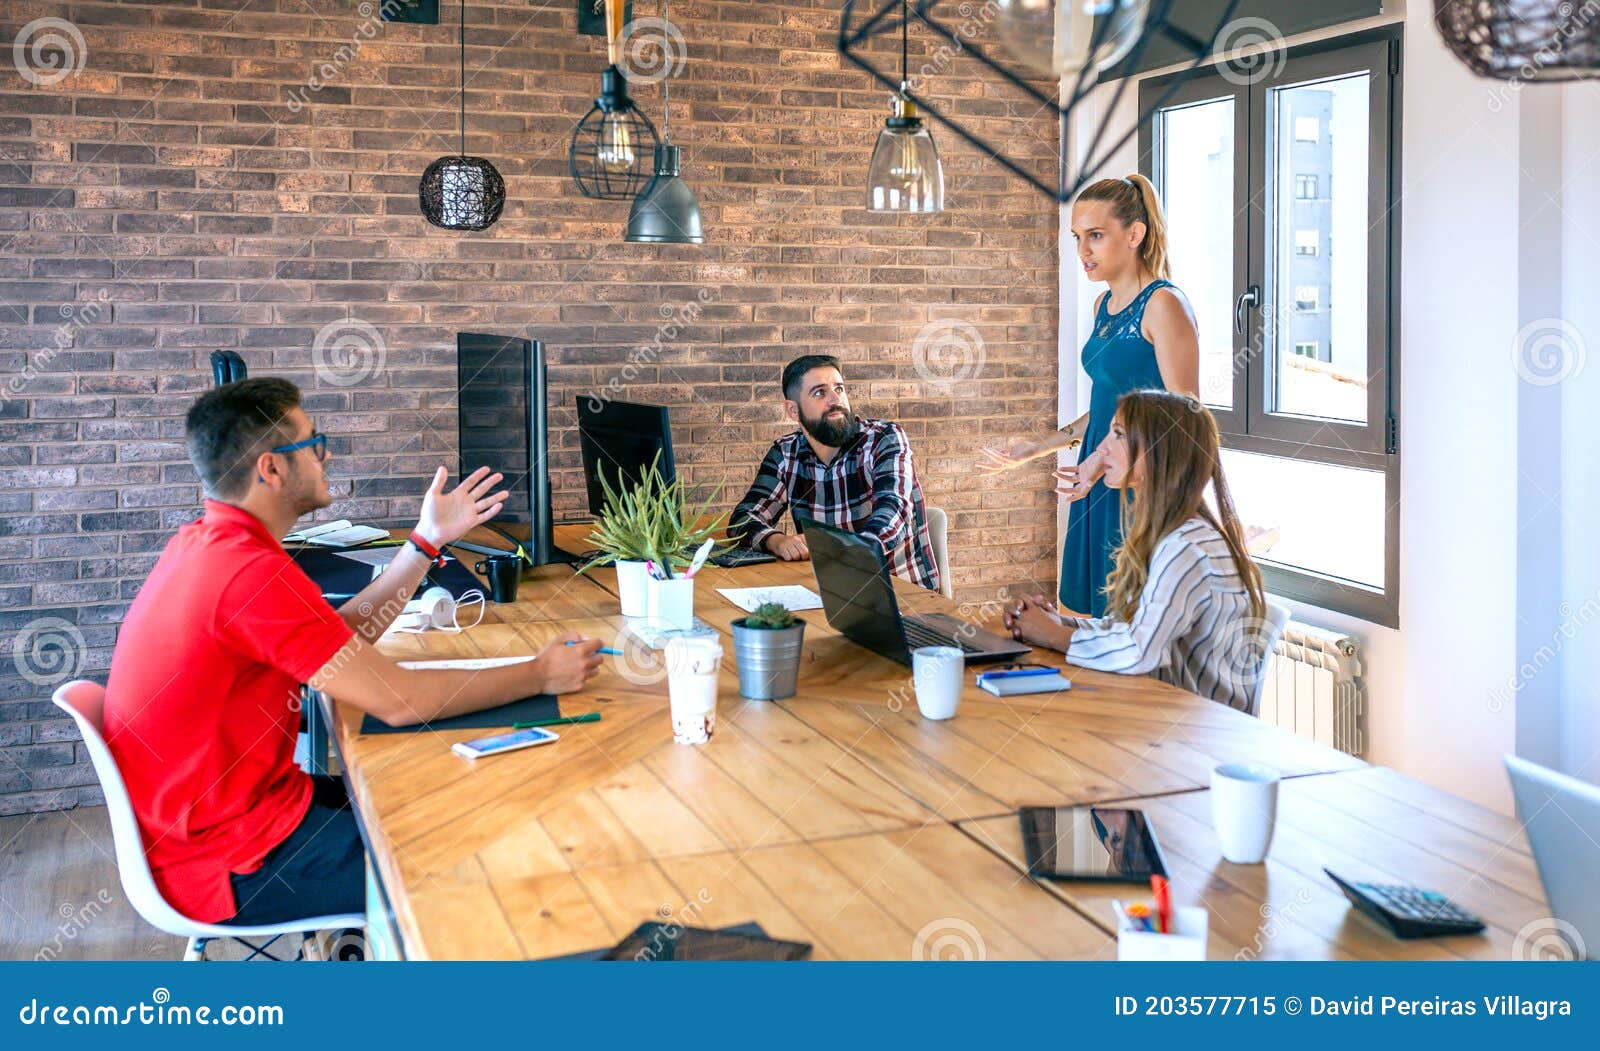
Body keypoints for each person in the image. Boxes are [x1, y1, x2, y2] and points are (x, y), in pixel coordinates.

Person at [103, 378, 604, 927]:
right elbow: (401, 701)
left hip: (237, 819)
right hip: (231, 860)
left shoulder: (206, 544)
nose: (325, 456)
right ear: (271, 469)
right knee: (490, 866)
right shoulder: (248, 574)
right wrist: (540, 673)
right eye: (313, 444)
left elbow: (341, 641)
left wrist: (426, 541)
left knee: (459, 798)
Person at [980, 174, 1199, 616]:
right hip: (1099, 473)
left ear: (1135, 234)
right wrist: (1042, 445)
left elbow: (1187, 418)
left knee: (1131, 623)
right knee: (1089, 620)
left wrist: (1110, 462)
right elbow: (1108, 405)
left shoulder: (1164, 304)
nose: (1083, 251)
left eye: (1096, 235)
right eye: (1078, 237)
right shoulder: (1104, 307)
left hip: (1143, 486)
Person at [1001, 390, 1268, 714]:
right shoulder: (1171, 536)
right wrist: (1055, 622)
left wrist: (1052, 634)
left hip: (1199, 732)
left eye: (1118, 434)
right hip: (1164, 718)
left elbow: (1138, 652)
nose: (1101, 448)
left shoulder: (1185, 548)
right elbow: (1131, 630)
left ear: (1160, 452)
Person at [730, 354, 940, 592]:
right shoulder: (786, 453)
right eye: (820, 392)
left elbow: (894, 510)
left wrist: (842, 548)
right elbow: (744, 517)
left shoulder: (884, 438)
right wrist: (775, 541)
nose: (835, 399)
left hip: (901, 593)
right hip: (831, 591)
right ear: (793, 410)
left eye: (839, 388)